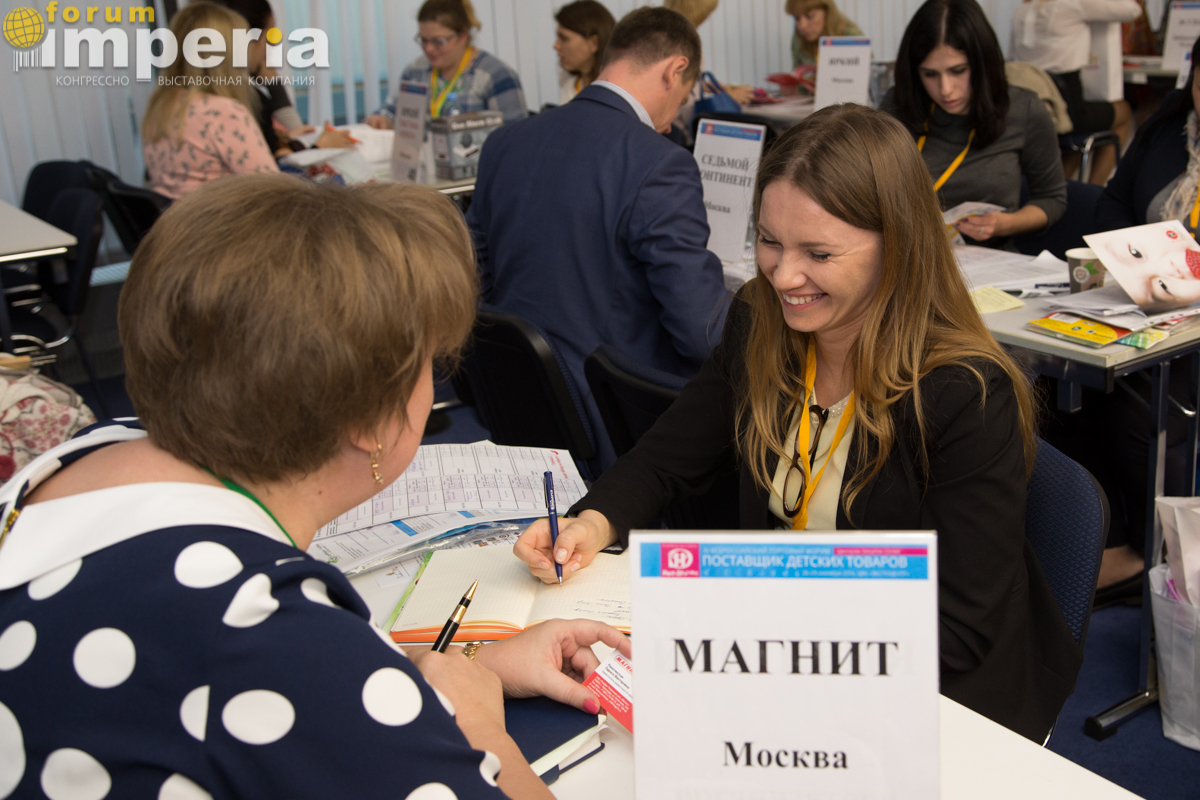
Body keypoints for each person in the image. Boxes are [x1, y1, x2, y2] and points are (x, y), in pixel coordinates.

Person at [0, 173, 631, 800]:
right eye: (426, 367)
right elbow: (268, 667)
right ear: (369, 421)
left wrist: (455, 669)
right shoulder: (262, 627)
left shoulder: (89, 453)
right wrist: (478, 727)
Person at [513, 104, 1083, 743]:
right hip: (787, 649)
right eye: (769, 241)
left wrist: (764, 649)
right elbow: (667, 457)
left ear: (897, 246)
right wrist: (592, 522)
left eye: (818, 252)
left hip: (939, 696)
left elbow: (955, 631)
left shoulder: (964, 393)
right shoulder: (761, 322)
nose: (783, 276)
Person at [466, 6, 730, 473]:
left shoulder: (505, 143)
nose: (674, 116)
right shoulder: (659, 163)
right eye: (685, 94)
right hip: (619, 424)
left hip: (517, 407)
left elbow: (473, 278)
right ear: (675, 70)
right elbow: (701, 333)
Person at [882, 0, 1067, 250]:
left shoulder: (1024, 110)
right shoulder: (898, 105)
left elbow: (1052, 199)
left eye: (958, 70)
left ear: (983, 63)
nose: (946, 89)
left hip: (988, 257)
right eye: (930, 74)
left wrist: (1004, 224)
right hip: (910, 254)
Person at [142, 2, 279, 199]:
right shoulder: (225, 113)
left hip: (180, 216)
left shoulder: (160, 108)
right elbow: (274, 191)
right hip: (223, 217)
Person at [1008, 0, 1140, 185]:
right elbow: (1131, 9)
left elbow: (1012, 58)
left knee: (1076, 137)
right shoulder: (1071, 4)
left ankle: (1062, 189)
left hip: (1033, 110)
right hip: (1067, 108)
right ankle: (1095, 189)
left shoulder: (1021, 10)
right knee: (1123, 111)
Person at [212, 0, 354, 155]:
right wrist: (319, 149)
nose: (273, 44)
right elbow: (271, 167)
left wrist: (288, 140)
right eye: (270, 34)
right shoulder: (239, 105)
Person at [365, 0, 527, 128]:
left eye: (439, 41)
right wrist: (381, 118)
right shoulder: (416, 71)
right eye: (424, 40)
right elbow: (392, 110)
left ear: (463, 35)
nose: (428, 49)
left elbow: (516, 138)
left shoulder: (495, 76)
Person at [554, 0, 615, 105]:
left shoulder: (616, 88)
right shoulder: (569, 82)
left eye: (564, 38)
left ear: (594, 43)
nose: (556, 46)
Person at [786, 0, 864, 69]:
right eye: (797, 18)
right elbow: (797, 75)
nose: (803, 26)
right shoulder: (799, 38)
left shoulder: (853, 37)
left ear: (827, 12)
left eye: (810, 16)